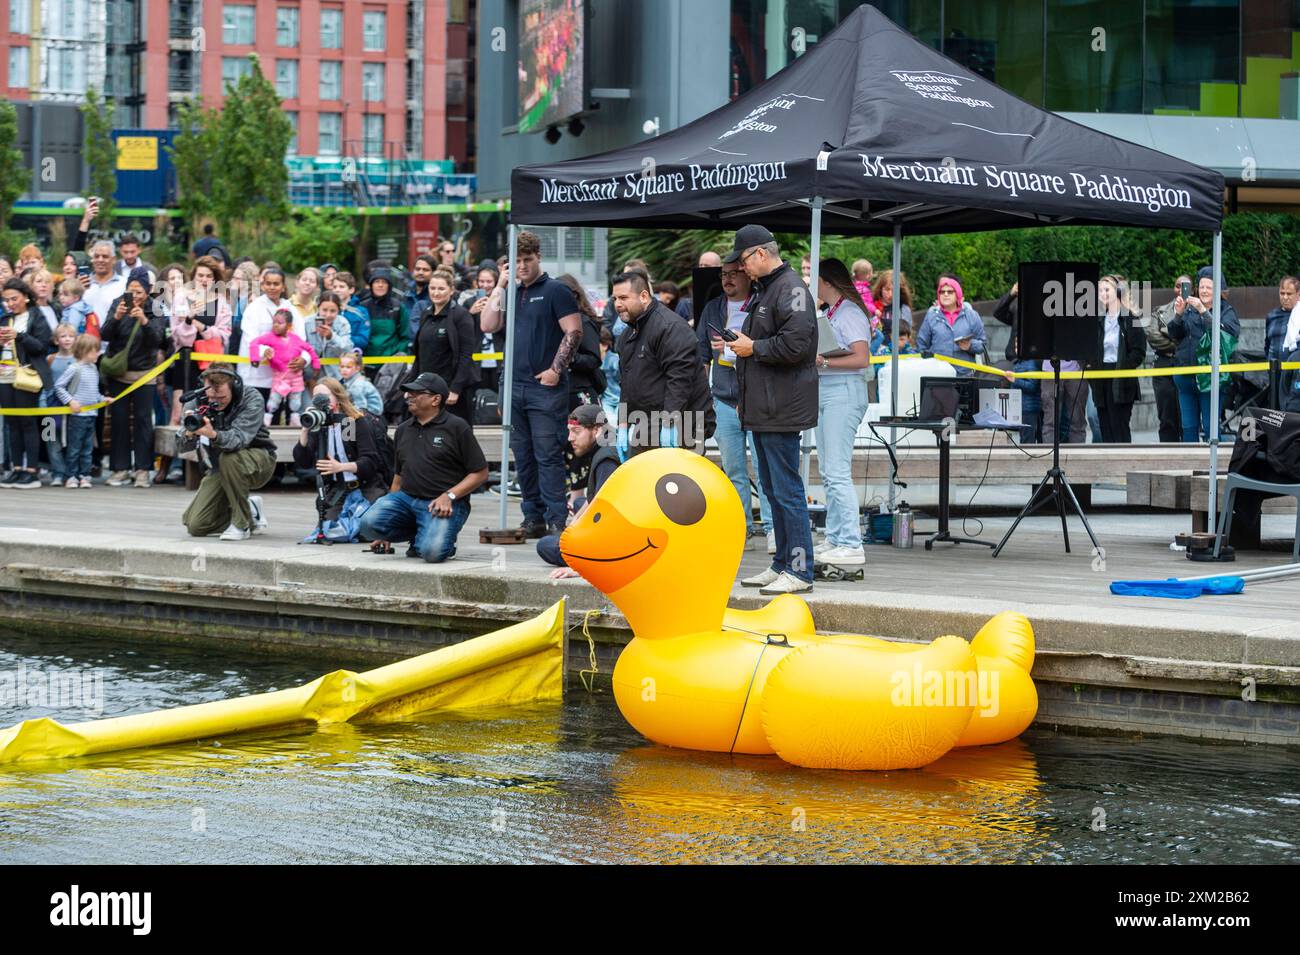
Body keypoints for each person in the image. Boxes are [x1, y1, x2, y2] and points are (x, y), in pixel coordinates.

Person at [724, 224, 817, 596]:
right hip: (765, 407)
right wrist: (745, 345)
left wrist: (753, 349)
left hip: (781, 407)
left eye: (744, 260)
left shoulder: (791, 288)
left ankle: (800, 569)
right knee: (773, 490)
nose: (742, 269)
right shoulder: (769, 290)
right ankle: (782, 564)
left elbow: (797, 343)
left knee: (786, 489)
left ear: (761, 254)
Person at [479, 230, 583, 538]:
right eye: (516, 261)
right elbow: (487, 325)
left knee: (547, 454)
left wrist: (555, 368)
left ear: (538, 257)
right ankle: (532, 516)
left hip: (545, 387)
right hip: (512, 385)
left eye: (527, 260)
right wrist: (500, 284)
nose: (522, 266)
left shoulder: (555, 290)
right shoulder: (509, 291)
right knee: (521, 455)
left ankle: (555, 517)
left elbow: (574, 332)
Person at [358, 372, 488, 562]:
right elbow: (398, 477)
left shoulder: (457, 427)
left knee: (432, 553)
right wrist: (386, 532)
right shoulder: (402, 430)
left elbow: (480, 472)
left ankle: (435, 536)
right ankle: (422, 531)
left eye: (417, 393)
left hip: (444, 504)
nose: (409, 396)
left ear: (436, 399)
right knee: (368, 525)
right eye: (409, 392)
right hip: (406, 499)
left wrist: (449, 496)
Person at [696, 252, 773, 549]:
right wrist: (705, 397)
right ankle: (741, 527)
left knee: (765, 469)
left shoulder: (761, 305)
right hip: (723, 400)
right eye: (722, 275)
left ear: (747, 274)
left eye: (732, 273)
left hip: (756, 399)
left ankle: (771, 528)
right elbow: (702, 356)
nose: (727, 279)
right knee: (734, 470)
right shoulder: (713, 309)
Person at [611, 270, 714, 454]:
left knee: (679, 481)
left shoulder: (669, 327)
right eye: (615, 299)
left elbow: (680, 379)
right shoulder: (628, 334)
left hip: (683, 422)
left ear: (644, 296)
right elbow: (626, 383)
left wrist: (669, 423)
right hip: (646, 422)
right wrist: (623, 423)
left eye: (623, 298)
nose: (618, 304)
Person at [811, 259, 872, 566]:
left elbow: (862, 358)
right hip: (828, 391)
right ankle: (835, 536)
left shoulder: (850, 312)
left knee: (836, 470)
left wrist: (823, 362)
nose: (812, 286)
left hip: (843, 392)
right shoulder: (832, 312)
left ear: (828, 282)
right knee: (827, 470)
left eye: (815, 280)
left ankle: (850, 541)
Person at [177, 363, 276, 540]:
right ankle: (251, 511)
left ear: (235, 388)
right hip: (218, 467)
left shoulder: (251, 397)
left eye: (222, 396)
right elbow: (181, 446)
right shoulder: (196, 400)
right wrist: (189, 434)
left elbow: (238, 440)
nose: (216, 401)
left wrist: (212, 434)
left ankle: (241, 525)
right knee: (196, 525)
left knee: (230, 457)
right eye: (212, 396)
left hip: (257, 459)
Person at [292, 377, 392, 525]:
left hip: (365, 486)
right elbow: (304, 462)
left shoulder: (348, 422)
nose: (320, 401)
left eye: (324, 397)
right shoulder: (320, 425)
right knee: (329, 527)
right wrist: (305, 428)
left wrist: (340, 467)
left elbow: (369, 462)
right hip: (339, 489)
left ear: (337, 397)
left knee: (365, 527)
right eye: (316, 398)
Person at [536, 404, 623, 577]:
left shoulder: (606, 458)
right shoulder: (609, 443)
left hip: (617, 536)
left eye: (576, 431)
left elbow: (603, 511)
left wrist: (579, 568)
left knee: (545, 545)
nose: (570, 438)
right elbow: (595, 498)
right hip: (616, 519)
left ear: (596, 430)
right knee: (578, 503)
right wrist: (575, 522)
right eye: (569, 431)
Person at [101, 267, 167, 487]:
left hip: (144, 373)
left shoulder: (155, 308)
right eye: (131, 291)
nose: (135, 296)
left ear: (148, 291)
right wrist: (117, 317)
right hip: (119, 373)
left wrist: (145, 322)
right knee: (118, 421)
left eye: (139, 292)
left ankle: (142, 469)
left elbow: (158, 340)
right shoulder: (118, 303)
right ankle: (119, 468)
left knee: (142, 420)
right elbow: (105, 334)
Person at [1169, 266, 1240, 442]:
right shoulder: (1188, 308)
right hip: (1185, 376)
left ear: (1218, 290)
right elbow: (1174, 334)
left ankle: (1213, 468)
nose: (1204, 291)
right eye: (1201, 287)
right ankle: (1190, 467)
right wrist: (1178, 315)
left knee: (1210, 428)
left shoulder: (1226, 311)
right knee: (1188, 428)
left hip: (1210, 378)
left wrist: (1203, 311)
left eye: (1209, 287)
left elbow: (1225, 335)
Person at [0, 279, 55, 489]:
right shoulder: (5, 319)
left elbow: (42, 347)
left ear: (26, 297)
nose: (10, 304)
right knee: (11, 423)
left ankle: (31, 471)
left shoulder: (36, 316)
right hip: (5, 374)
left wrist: (19, 336)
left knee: (28, 422)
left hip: (28, 374)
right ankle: (16, 469)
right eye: (6, 300)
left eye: (14, 299)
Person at [407, 269, 478, 424]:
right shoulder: (426, 314)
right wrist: (411, 386)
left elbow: (466, 356)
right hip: (426, 388)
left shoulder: (461, 315)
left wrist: (455, 389)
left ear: (451, 290)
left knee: (455, 436)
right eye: (433, 288)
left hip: (451, 390)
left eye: (441, 288)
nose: (436, 293)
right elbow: (419, 356)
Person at [1090, 275, 1148, 443]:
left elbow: (1138, 352)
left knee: (1119, 426)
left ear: (1118, 291)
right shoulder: (1098, 319)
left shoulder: (1130, 318)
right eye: (1100, 290)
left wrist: (1123, 367)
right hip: (1101, 378)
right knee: (1105, 425)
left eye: (1106, 289)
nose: (1103, 293)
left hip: (1122, 379)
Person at [237, 267, 306, 404]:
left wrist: (303, 358)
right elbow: (250, 338)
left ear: (283, 286)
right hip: (255, 375)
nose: (272, 287)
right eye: (268, 283)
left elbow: (301, 338)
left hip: (284, 375)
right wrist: (265, 351)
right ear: (262, 285)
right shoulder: (254, 308)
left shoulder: (290, 308)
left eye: (276, 284)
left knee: (275, 418)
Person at [248, 308, 322, 426]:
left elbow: (309, 349)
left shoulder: (295, 338)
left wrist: (316, 365)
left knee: (295, 401)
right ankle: (266, 421)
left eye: (280, 323)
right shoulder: (269, 337)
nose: (275, 326)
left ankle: (295, 418)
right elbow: (253, 343)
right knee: (273, 401)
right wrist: (255, 359)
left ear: (289, 325)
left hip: (296, 377)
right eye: (274, 322)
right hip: (280, 377)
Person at [54, 333, 109, 487]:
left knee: (88, 448)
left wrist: (103, 399)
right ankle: (71, 476)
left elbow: (94, 392)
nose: (98, 353)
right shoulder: (74, 368)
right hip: (77, 417)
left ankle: (84, 475)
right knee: (74, 448)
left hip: (92, 415)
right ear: (84, 351)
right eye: (94, 351)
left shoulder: (93, 369)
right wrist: (71, 401)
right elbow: (59, 386)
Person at [1145, 275, 1189, 442]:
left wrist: (1167, 334)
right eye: (1178, 286)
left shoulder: (1197, 310)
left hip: (1186, 366)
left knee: (1187, 418)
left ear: (1192, 289)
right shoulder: (1159, 311)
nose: (1180, 289)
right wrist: (1180, 344)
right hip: (1163, 364)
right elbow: (1152, 336)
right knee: (1166, 417)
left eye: (1185, 286)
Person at [917, 275, 986, 376]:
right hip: (937, 375)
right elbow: (921, 345)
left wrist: (970, 345)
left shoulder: (972, 315)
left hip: (965, 375)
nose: (945, 294)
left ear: (957, 294)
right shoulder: (931, 315)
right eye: (942, 292)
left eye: (950, 292)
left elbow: (982, 345)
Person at [556, 273, 605, 412]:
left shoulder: (583, 322)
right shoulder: (554, 322)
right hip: (559, 393)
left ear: (574, 295)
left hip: (580, 393)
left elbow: (593, 360)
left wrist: (567, 357)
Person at [42, 323, 78, 486]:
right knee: (50, 438)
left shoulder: (79, 359)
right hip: (51, 405)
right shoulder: (50, 359)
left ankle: (71, 473)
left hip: (73, 405)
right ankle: (57, 472)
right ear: (56, 341)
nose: (67, 339)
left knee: (72, 440)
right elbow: (44, 382)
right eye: (63, 336)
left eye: (70, 336)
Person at [359, 266, 409, 368]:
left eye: (384, 282)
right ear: (371, 285)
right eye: (377, 282)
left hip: (391, 365)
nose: (380, 285)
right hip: (367, 363)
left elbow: (405, 336)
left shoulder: (398, 307)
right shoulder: (362, 307)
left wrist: (397, 355)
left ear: (389, 286)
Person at [465, 263, 503, 394]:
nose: (485, 285)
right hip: (477, 362)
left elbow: (506, 330)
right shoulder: (469, 302)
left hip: (498, 361)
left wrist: (493, 312)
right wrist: (470, 312)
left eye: (489, 281)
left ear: (496, 282)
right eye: (481, 281)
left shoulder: (502, 300)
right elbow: (462, 332)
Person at [305, 291, 354, 382]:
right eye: (324, 310)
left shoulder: (343, 323)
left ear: (338, 311)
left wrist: (332, 336)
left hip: (335, 375)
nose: (328, 315)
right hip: (310, 376)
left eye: (332, 311)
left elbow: (347, 349)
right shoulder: (307, 323)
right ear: (318, 308)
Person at [81, 240, 126, 329]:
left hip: (113, 339)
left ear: (113, 260)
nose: (100, 260)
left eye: (105, 256)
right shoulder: (82, 283)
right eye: (96, 256)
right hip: (85, 340)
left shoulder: (123, 284)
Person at [332, 271, 371, 353]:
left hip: (351, 357)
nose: (337, 290)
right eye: (334, 287)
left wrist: (340, 339)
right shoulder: (327, 310)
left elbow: (363, 340)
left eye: (341, 287)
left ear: (351, 290)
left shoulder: (360, 311)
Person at [872, 268, 912, 343]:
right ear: (880, 289)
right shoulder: (872, 307)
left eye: (894, 290)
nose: (890, 294)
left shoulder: (904, 309)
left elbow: (906, 337)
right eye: (887, 289)